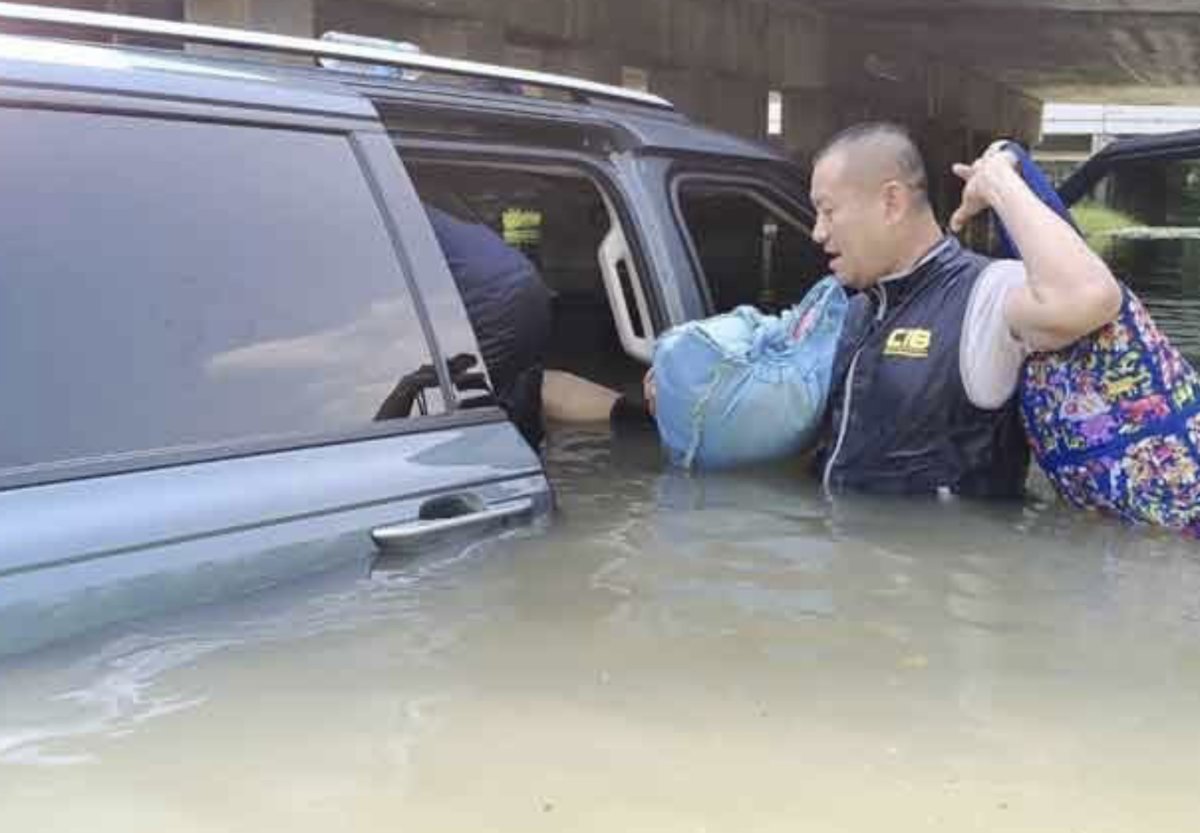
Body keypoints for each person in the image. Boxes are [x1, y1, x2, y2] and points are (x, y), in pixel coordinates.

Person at [807, 122, 1122, 497]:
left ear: (891, 203)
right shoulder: (859, 309)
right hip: (843, 549)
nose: (817, 232)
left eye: (828, 212)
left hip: (937, 552)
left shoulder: (985, 294)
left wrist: (1001, 183)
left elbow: (1092, 297)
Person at [423, 204, 553, 448]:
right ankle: (527, 458)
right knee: (514, 392)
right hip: (517, 279)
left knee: (460, 409)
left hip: (492, 299)